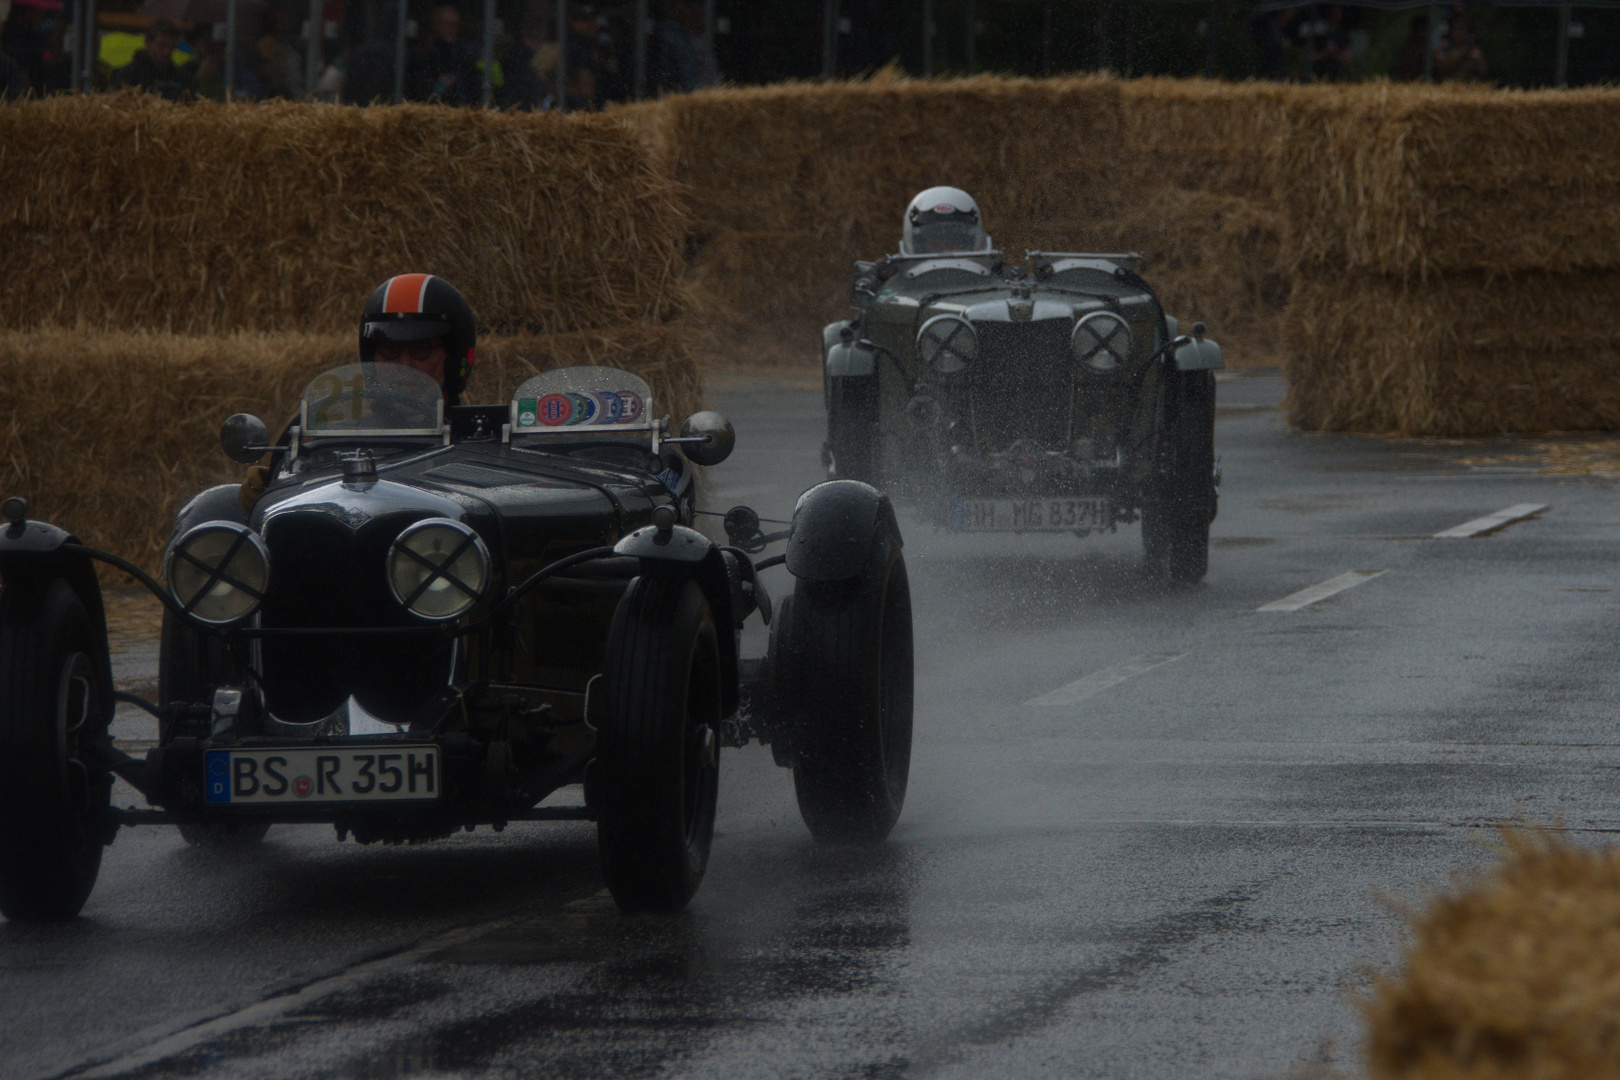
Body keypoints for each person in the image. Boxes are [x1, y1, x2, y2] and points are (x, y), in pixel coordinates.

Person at [235, 274, 476, 511]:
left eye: (422, 350)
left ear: (454, 359)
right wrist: (276, 486)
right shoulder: (337, 442)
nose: (403, 365)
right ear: (371, 359)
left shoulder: (481, 444)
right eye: (390, 350)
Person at [410, 4, 479, 105]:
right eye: (448, 24)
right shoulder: (426, 51)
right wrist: (436, 84)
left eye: (456, 25)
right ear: (436, 25)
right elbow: (418, 84)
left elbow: (470, 79)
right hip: (432, 105)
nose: (452, 30)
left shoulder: (462, 51)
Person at [115, 17, 195, 99]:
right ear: (148, 42)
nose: (166, 51)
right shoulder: (129, 75)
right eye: (161, 45)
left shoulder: (182, 78)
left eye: (171, 46)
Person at [899, 187, 992, 256]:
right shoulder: (898, 278)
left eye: (953, 240)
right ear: (918, 242)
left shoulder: (991, 276)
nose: (944, 249)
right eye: (935, 240)